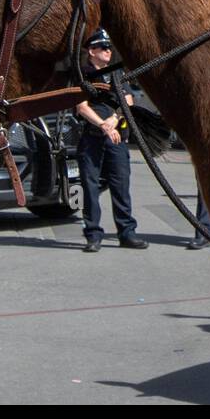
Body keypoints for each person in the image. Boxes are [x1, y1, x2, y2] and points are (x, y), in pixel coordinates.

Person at [74, 29, 148, 252]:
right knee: (90, 187)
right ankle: (93, 235)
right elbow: (81, 107)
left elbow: (128, 101)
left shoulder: (116, 75)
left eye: (109, 47)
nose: (108, 51)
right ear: (91, 51)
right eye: (103, 48)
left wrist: (113, 120)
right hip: (92, 138)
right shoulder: (83, 76)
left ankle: (127, 233)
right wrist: (103, 125)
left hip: (116, 138)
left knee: (121, 186)